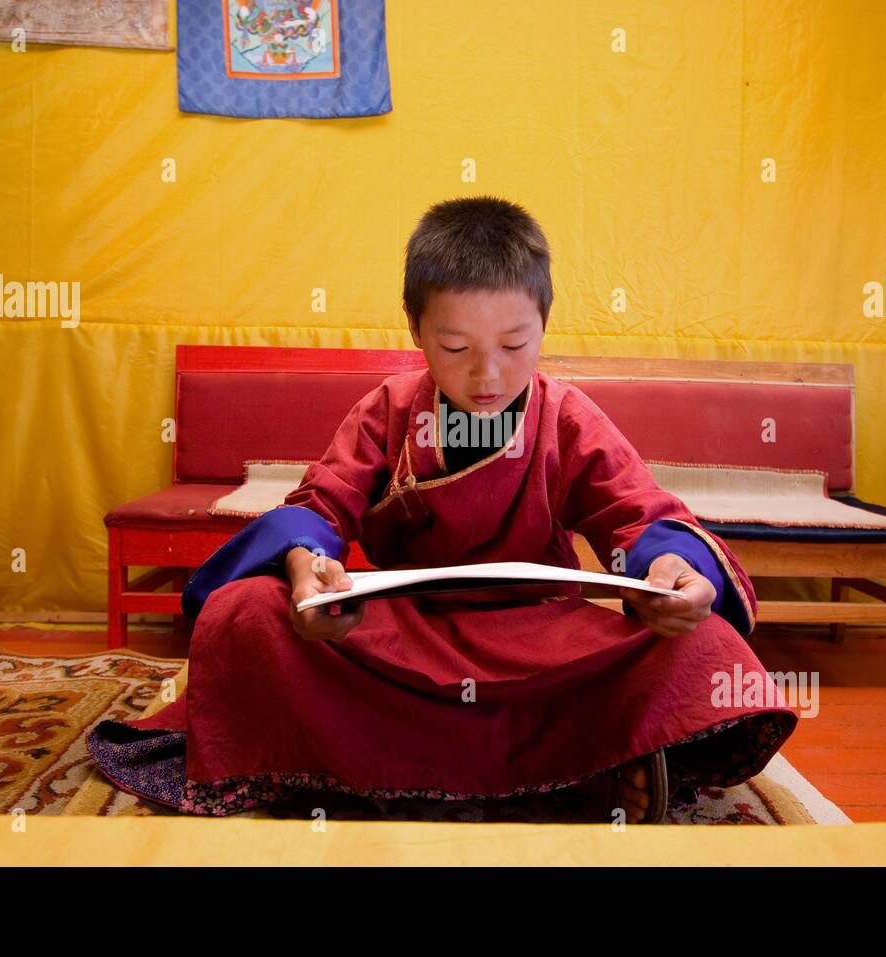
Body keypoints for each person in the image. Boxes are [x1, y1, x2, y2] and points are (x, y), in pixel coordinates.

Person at [87, 196, 797, 823]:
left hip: (540, 645)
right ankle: (595, 760)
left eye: (515, 345)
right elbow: (319, 507)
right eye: (455, 347)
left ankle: (387, 766)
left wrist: (671, 568)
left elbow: (638, 515)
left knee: (703, 645)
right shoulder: (387, 410)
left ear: (544, 325)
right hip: (404, 637)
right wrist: (310, 568)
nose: (487, 376)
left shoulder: (567, 416)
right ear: (416, 330)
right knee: (242, 617)